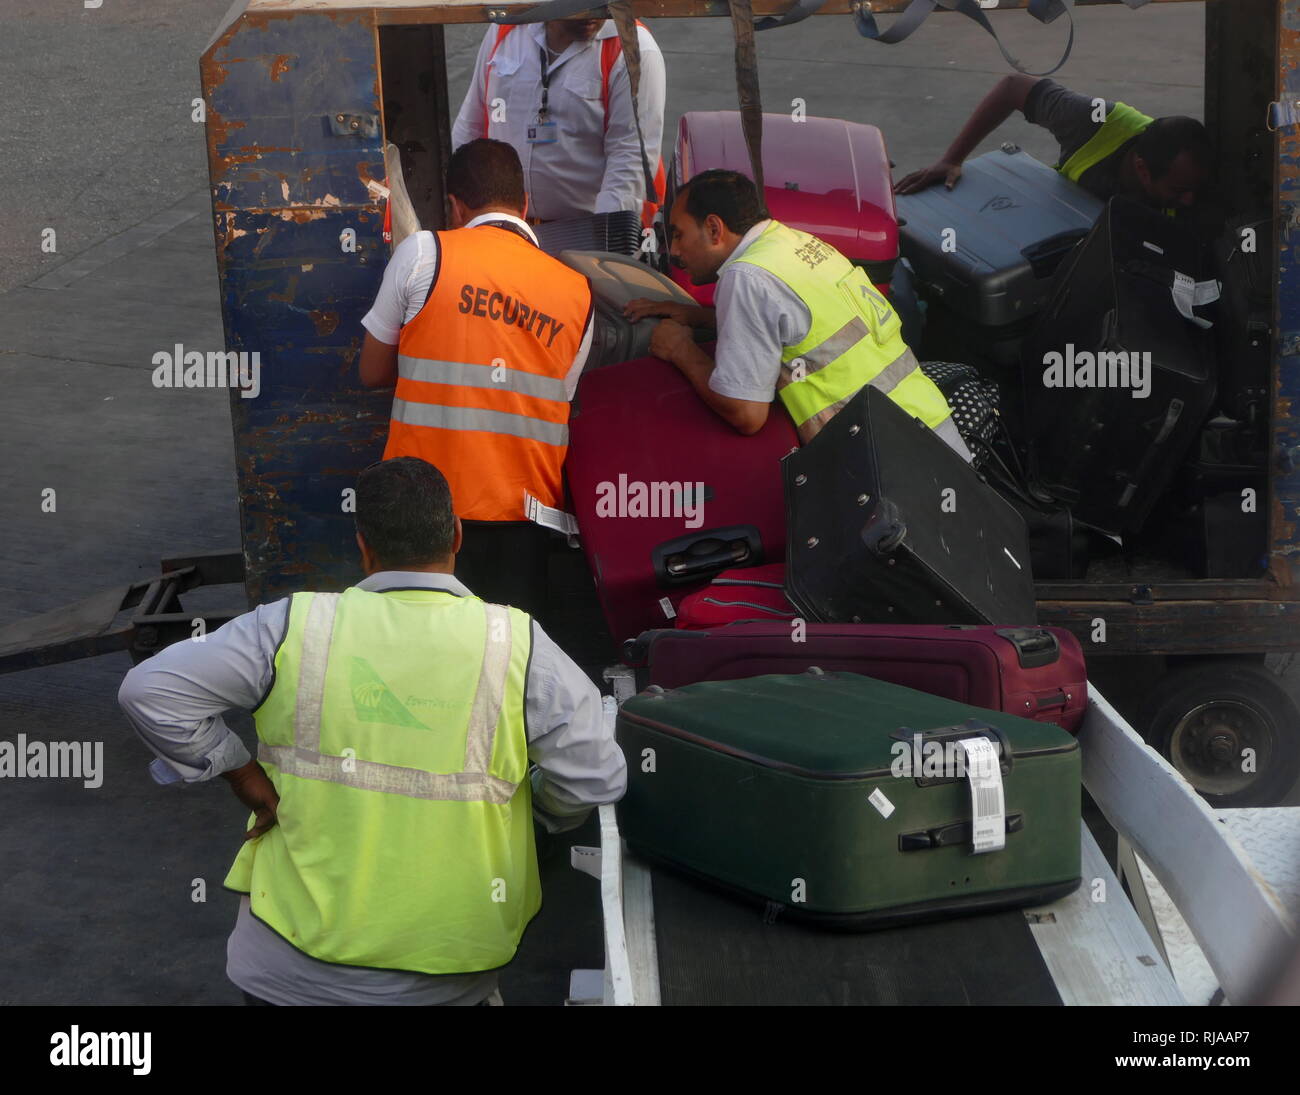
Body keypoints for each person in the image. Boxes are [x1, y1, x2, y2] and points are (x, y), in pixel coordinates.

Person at [117, 457, 626, 1006]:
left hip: (283, 972)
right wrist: (536, 814)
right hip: (446, 976)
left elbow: (150, 692)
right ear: (456, 535)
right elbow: (596, 776)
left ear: (363, 547)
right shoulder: (518, 644)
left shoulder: (294, 626)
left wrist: (237, 768)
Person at [358, 138, 594, 620]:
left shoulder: (426, 253)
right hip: (525, 521)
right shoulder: (577, 293)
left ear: (455, 205)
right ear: (524, 205)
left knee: (415, 653)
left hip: (423, 513)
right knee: (502, 665)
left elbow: (372, 371)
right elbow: (556, 400)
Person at [624, 169, 971, 457]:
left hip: (888, 461)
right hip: (932, 431)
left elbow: (746, 413)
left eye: (679, 234)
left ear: (714, 229)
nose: (676, 251)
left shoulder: (746, 276)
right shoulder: (793, 243)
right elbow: (804, 329)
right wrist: (698, 316)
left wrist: (679, 350)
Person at [451, 14, 666, 225]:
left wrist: (605, 242)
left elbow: (628, 160)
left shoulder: (634, 49)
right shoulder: (504, 28)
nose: (592, 14)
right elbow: (471, 125)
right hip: (506, 227)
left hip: (585, 229)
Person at [894, 75, 1211, 212]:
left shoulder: (1192, 189)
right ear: (1142, 169)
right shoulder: (1097, 122)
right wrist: (953, 158)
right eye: (1178, 191)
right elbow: (1012, 87)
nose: (1190, 201)